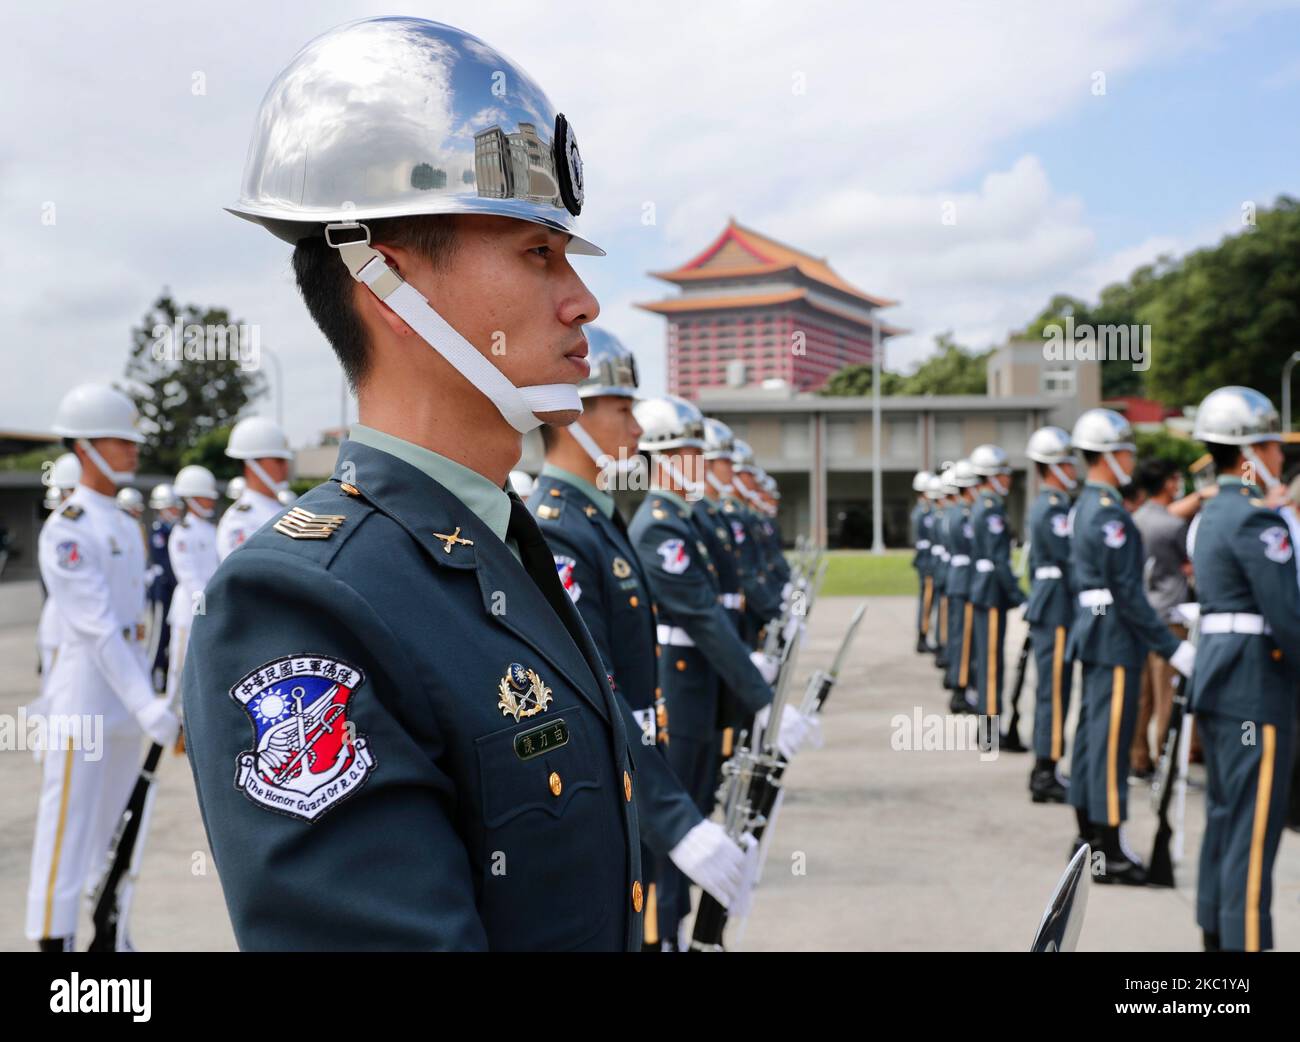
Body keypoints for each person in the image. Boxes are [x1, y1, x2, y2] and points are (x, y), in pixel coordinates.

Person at [185, 17, 660, 950]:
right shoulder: (303, 602)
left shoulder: (497, 543)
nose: (583, 300)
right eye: (537, 253)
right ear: (391, 285)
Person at [528, 330, 748, 950]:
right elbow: (596, 685)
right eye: (621, 410)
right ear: (571, 414)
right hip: (609, 770)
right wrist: (675, 818)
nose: (635, 429)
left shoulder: (596, 516)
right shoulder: (560, 528)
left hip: (643, 751)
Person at [629, 394, 817, 949]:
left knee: (704, 800)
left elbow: (725, 604)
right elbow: (704, 616)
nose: (714, 471)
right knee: (677, 822)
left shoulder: (691, 518)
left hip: (706, 682)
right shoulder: (658, 525)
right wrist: (761, 695)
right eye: (697, 456)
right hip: (681, 685)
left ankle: (682, 924)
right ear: (665, 458)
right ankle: (662, 933)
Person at [25, 384, 178, 951]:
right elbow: (96, 628)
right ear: (87, 446)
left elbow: (134, 625)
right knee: (64, 832)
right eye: (121, 438)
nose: (133, 449)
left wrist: (144, 701)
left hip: (121, 702)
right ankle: (52, 941)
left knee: (110, 832)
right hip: (83, 705)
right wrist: (147, 700)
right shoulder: (67, 527)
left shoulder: (120, 520)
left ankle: (110, 934)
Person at [1187, 387, 1300, 951]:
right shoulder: (1260, 522)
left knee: (1227, 818)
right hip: (1255, 688)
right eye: (1272, 445)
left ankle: (1216, 935)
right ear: (1251, 452)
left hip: (1218, 682)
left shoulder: (1214, 512)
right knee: (1254, 830)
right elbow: (1288, 620)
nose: (1280, 456)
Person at [1066, 408, 1195, 884]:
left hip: (1095, 631)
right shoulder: (1109, 512)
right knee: (1110, 744)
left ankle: (1086, 839)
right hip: (1114, 636)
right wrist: (1171, 647)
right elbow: (1128, 595)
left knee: (1090, 739)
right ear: (1109, 455)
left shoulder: (1087, 505)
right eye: (1125, 450)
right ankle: (1110, 850)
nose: (1130, 459)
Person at [1129, 458, 1198, 781]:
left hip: (1141, 615)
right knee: (1167, 696)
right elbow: (1188, 567)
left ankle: (1138, 758)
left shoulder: (1134, 519)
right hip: (1170, 616)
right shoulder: (1172, 525)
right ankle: (1167, 761)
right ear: (1168, 484)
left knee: (1141, 696)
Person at [1023, 426, 1076, 803]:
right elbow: (1067, 558)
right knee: (1054, 692)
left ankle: (1047, 766)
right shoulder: (1054, 508)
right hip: (1057, 603)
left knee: (1053, 690)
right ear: (1053, 467)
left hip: (1052, 599)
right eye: (1068, 463)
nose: (1074, 470)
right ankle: (1045, 770)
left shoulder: (1048, 505)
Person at [967, 444, 1026, 747]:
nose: (1008, 480)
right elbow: (1000, 559)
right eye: (1004, 474)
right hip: (991, 594)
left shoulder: (983, 505)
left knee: (989, 662)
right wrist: (1019, 596)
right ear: (992, 477)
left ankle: (987, 727)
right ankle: (989, 732)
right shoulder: (991, 509)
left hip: (984, 590)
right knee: (992, 665)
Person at [166, 465, 220, 705]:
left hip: (209, 608)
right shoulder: (182, 532)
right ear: (191, 499)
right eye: (205, 497)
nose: (210, 501)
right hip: (189, 610)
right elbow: (188, 575)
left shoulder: (212, 530)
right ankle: (173, 725)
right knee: (180, 668)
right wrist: (204, 604)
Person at [216, 416, 293, 561]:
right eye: (278, 460)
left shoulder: (287, 507)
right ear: (251, 464)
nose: (285, 467)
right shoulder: (239, 520)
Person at [941, 459, 979, 714]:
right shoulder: (964, 515)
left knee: (958, 636)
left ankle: (958, 683)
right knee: (965, 640)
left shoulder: (952, 513)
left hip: (958, 576)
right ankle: (960, 689)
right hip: (965, 579)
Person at [145, 484, 180, 692]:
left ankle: (164, 675)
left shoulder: (176, 529)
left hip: (174, 589)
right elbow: (165, 561)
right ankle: (153, 674)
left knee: (170, 636)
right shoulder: (159, 531)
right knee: (159, 636)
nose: (176, 511)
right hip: (162, 590)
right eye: (172, 508)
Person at [911, 471, 935, 653]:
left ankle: (924, 634)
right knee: (926, 600)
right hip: (927, 562)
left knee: (927, 599)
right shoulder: (924, 512)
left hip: (926, 560)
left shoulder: (923, 510)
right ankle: (922, 635)